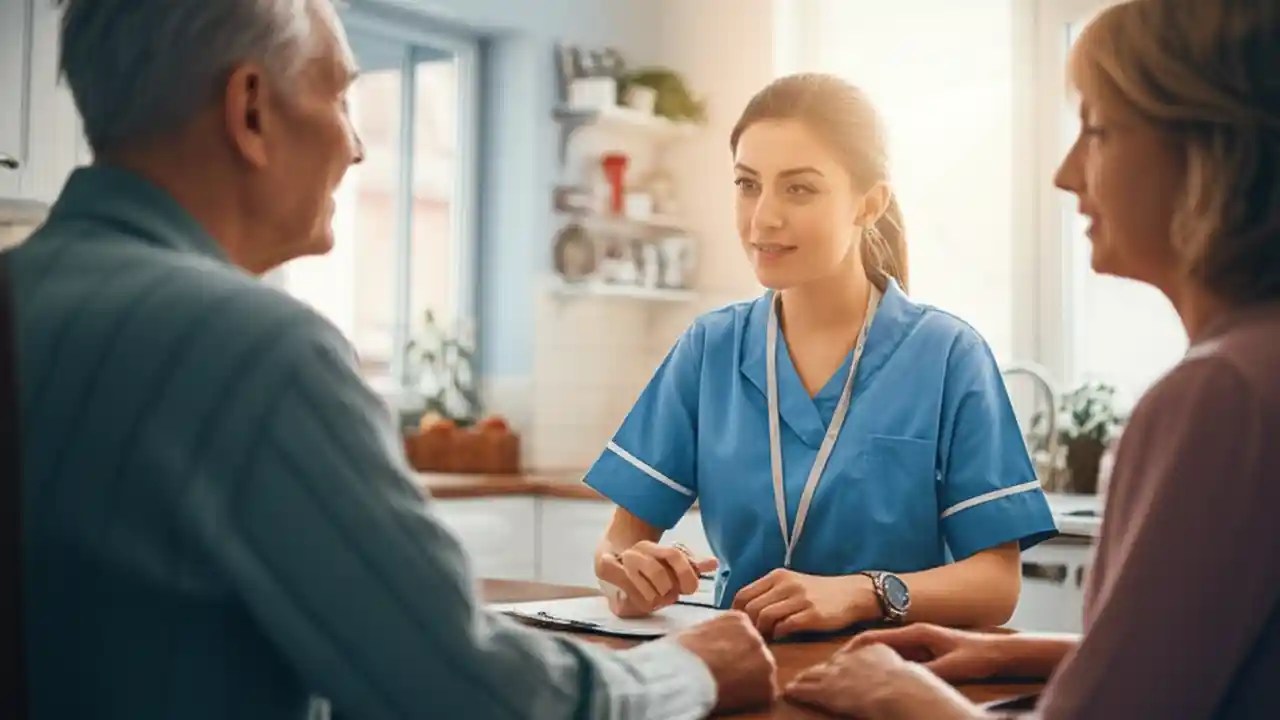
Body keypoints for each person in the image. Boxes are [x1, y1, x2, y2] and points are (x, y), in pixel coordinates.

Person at [7, 1, 777, 718]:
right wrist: (691, 672)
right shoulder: (258, 353)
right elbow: (467, 692)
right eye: (342, 97)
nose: (357, 143)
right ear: (250, 109)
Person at [780, 0, 1280, 717]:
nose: (1067, 174)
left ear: (1210, 150)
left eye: (1098, 132)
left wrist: (905, 699)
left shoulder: (1220, 394)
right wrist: (1022, 651)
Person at [585, 73, 1058, 638]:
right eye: (747, 184)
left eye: (799, 189)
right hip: (740, 678)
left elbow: (995, 586)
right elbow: (619, 542)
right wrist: (631, 576)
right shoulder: (709, 348)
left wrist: (863, 593)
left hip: (890, 682)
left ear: (869, 202)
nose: (763, 218)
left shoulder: (949, 356)